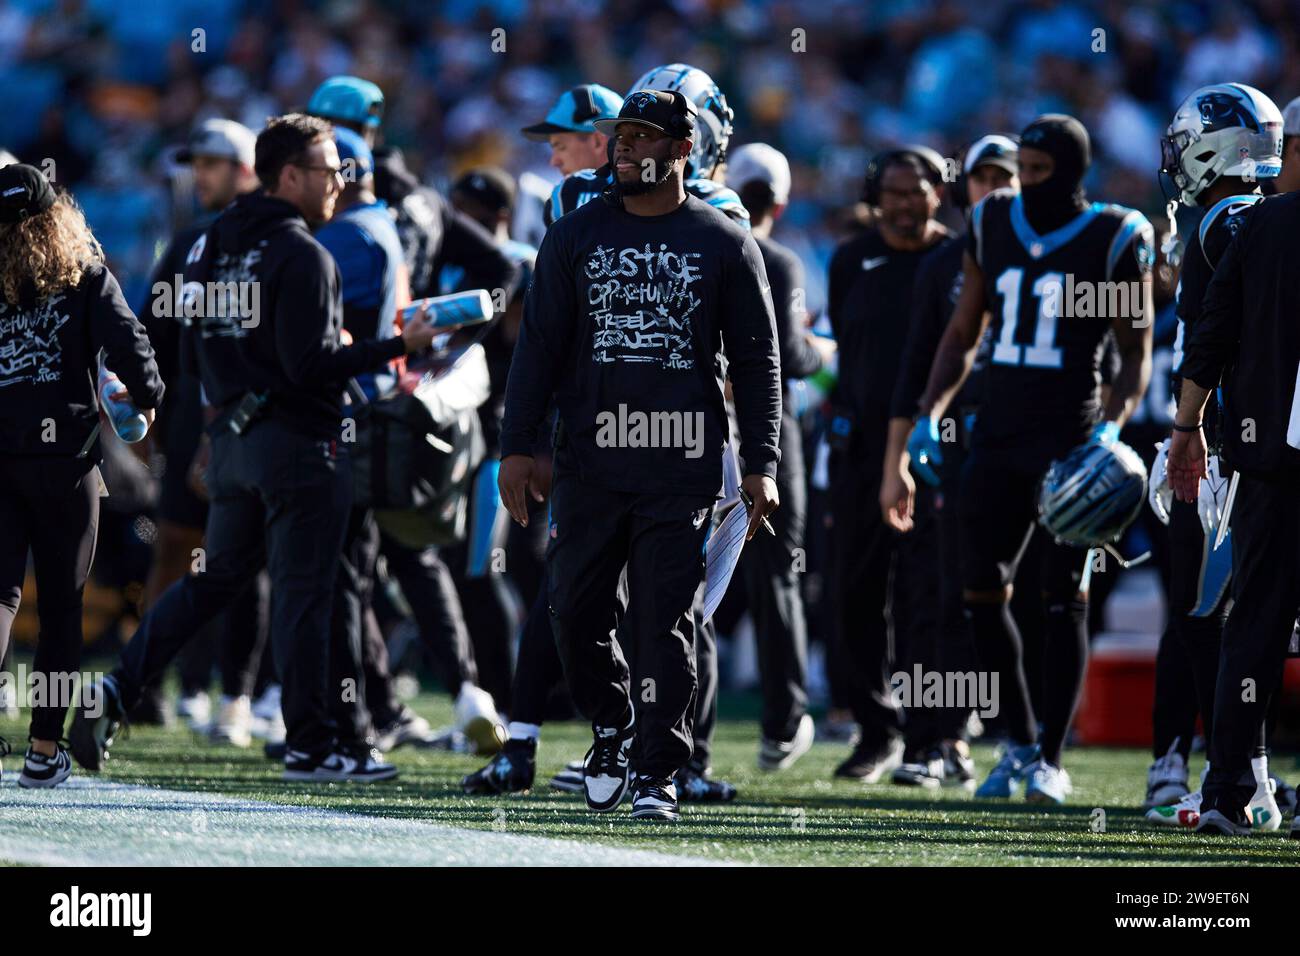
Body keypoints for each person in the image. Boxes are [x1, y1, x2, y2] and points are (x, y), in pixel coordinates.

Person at [70, 114, 440, 783]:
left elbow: (187, 345)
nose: (341, 182)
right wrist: (396, 347)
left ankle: (119, 685)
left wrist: (215, 428)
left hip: (228, 445)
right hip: (300, 447)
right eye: (331, 170)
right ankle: (312, 745)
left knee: (212, 581)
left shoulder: (205, 247)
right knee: (307, 594)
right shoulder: (304, 254)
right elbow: (310, 366)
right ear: (290, 175)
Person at [463, 64, 747, 803]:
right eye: (617, 137)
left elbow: (753, 350)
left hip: (685, 443)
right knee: (573, 602)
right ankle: (597, 729)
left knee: (674, 614)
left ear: (682, 145)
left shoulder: (717, 220)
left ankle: (669, 764)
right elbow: (540, 338)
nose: (617, 150)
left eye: (638, 137)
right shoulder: (573, 216)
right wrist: (519, 441)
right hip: (590, 439)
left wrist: (761, 458)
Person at [905, 114, 1154, 804]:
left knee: (1063, 600)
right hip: (997, 435)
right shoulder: (993, 224)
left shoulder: (1115, 235)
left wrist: (1111, 431)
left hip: (1069, 441)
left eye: (1043, 173)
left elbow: (1135, 354)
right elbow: (963, 331)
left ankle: (1050, 755)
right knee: (980, 592)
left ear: (1072, 172)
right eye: (1027, 170)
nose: (1031, 185)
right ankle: (1015, 742)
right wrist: (929, 413)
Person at [1145, 84, 1289, 829]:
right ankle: (1237, 773)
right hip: (1242, 440)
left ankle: (1240, 776)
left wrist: (1191, 426)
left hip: (1242, 450)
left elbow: (1224, 338)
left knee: (1224, 615)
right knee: (1220, 615)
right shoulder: (1232, 218)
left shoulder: (1234, 219)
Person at [0, 163, 165, 786]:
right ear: (57, 216)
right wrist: (145, 401)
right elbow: (134, 346)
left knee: (0, 598)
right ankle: (44, 752)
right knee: (63, 610)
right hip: (67, 467)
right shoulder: (84, 276)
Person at [880, 134, 1019, 789]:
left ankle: (1028, 739)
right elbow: (913, 368)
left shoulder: (1060, 255)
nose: (992, 189)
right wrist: (897, 461)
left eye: (1006, 177)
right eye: (982, 178)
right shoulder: (947, 263)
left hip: (1029, 449)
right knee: (936, 598)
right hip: (953, 452)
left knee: (1033, 602)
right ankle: (935, 737)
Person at [136, 118, 270, 745]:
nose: (202, 176)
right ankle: (147, 683)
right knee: (176, 548)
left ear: (247, 167)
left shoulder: (276, 240)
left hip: (255, 416)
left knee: (245, 560)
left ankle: (239, 695)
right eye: (198, 166)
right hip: (194, 415)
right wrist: (147, 417)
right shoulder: (191, 240)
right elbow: (148, 337)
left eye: (214, 163)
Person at [824, 146, 951, 782]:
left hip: (934, 452)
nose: (904, 204)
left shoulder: (957, 260)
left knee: (928, 596)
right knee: (853, 593)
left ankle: (933, 736)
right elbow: (847, 356)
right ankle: (877, 731)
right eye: (893, 192)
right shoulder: (851, 260)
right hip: (860, 449)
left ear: (938, 194)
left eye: (917, 191)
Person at [726, 142, 834, 770]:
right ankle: (783, 719)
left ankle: (677, 729)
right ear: (781, 201)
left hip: (692, 429)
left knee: (682, 574)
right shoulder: (778, 260)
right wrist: (828, 352)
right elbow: (793, 356)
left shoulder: (691, 243)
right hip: (769, 432)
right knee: (778, 574)